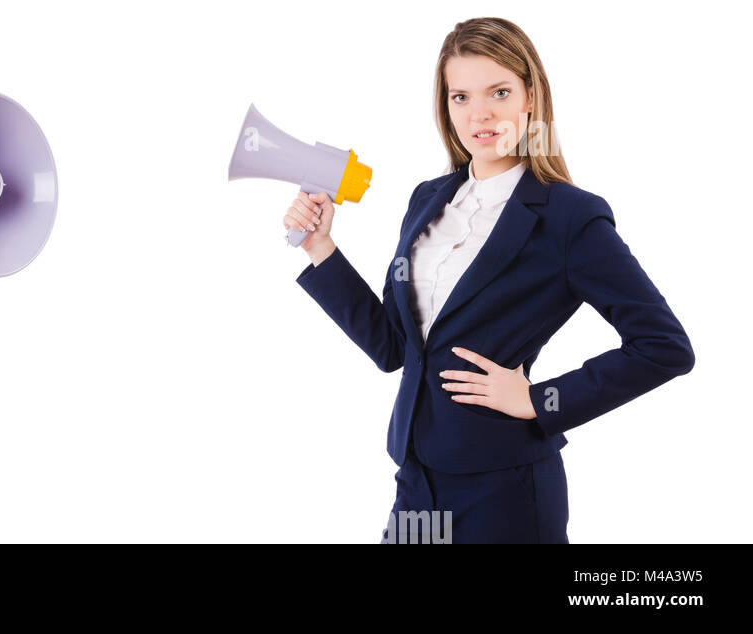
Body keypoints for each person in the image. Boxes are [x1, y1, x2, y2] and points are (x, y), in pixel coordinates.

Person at [285, 17, 694, 543]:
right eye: (460, 96)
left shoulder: (571, 218)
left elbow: (663, 347)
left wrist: (540, 399)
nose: (479, 114)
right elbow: (394, 347)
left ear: (530, 97)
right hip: (415, 482)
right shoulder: (427, 200)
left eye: (498, 92)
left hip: (504, 490)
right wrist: (322, 248)